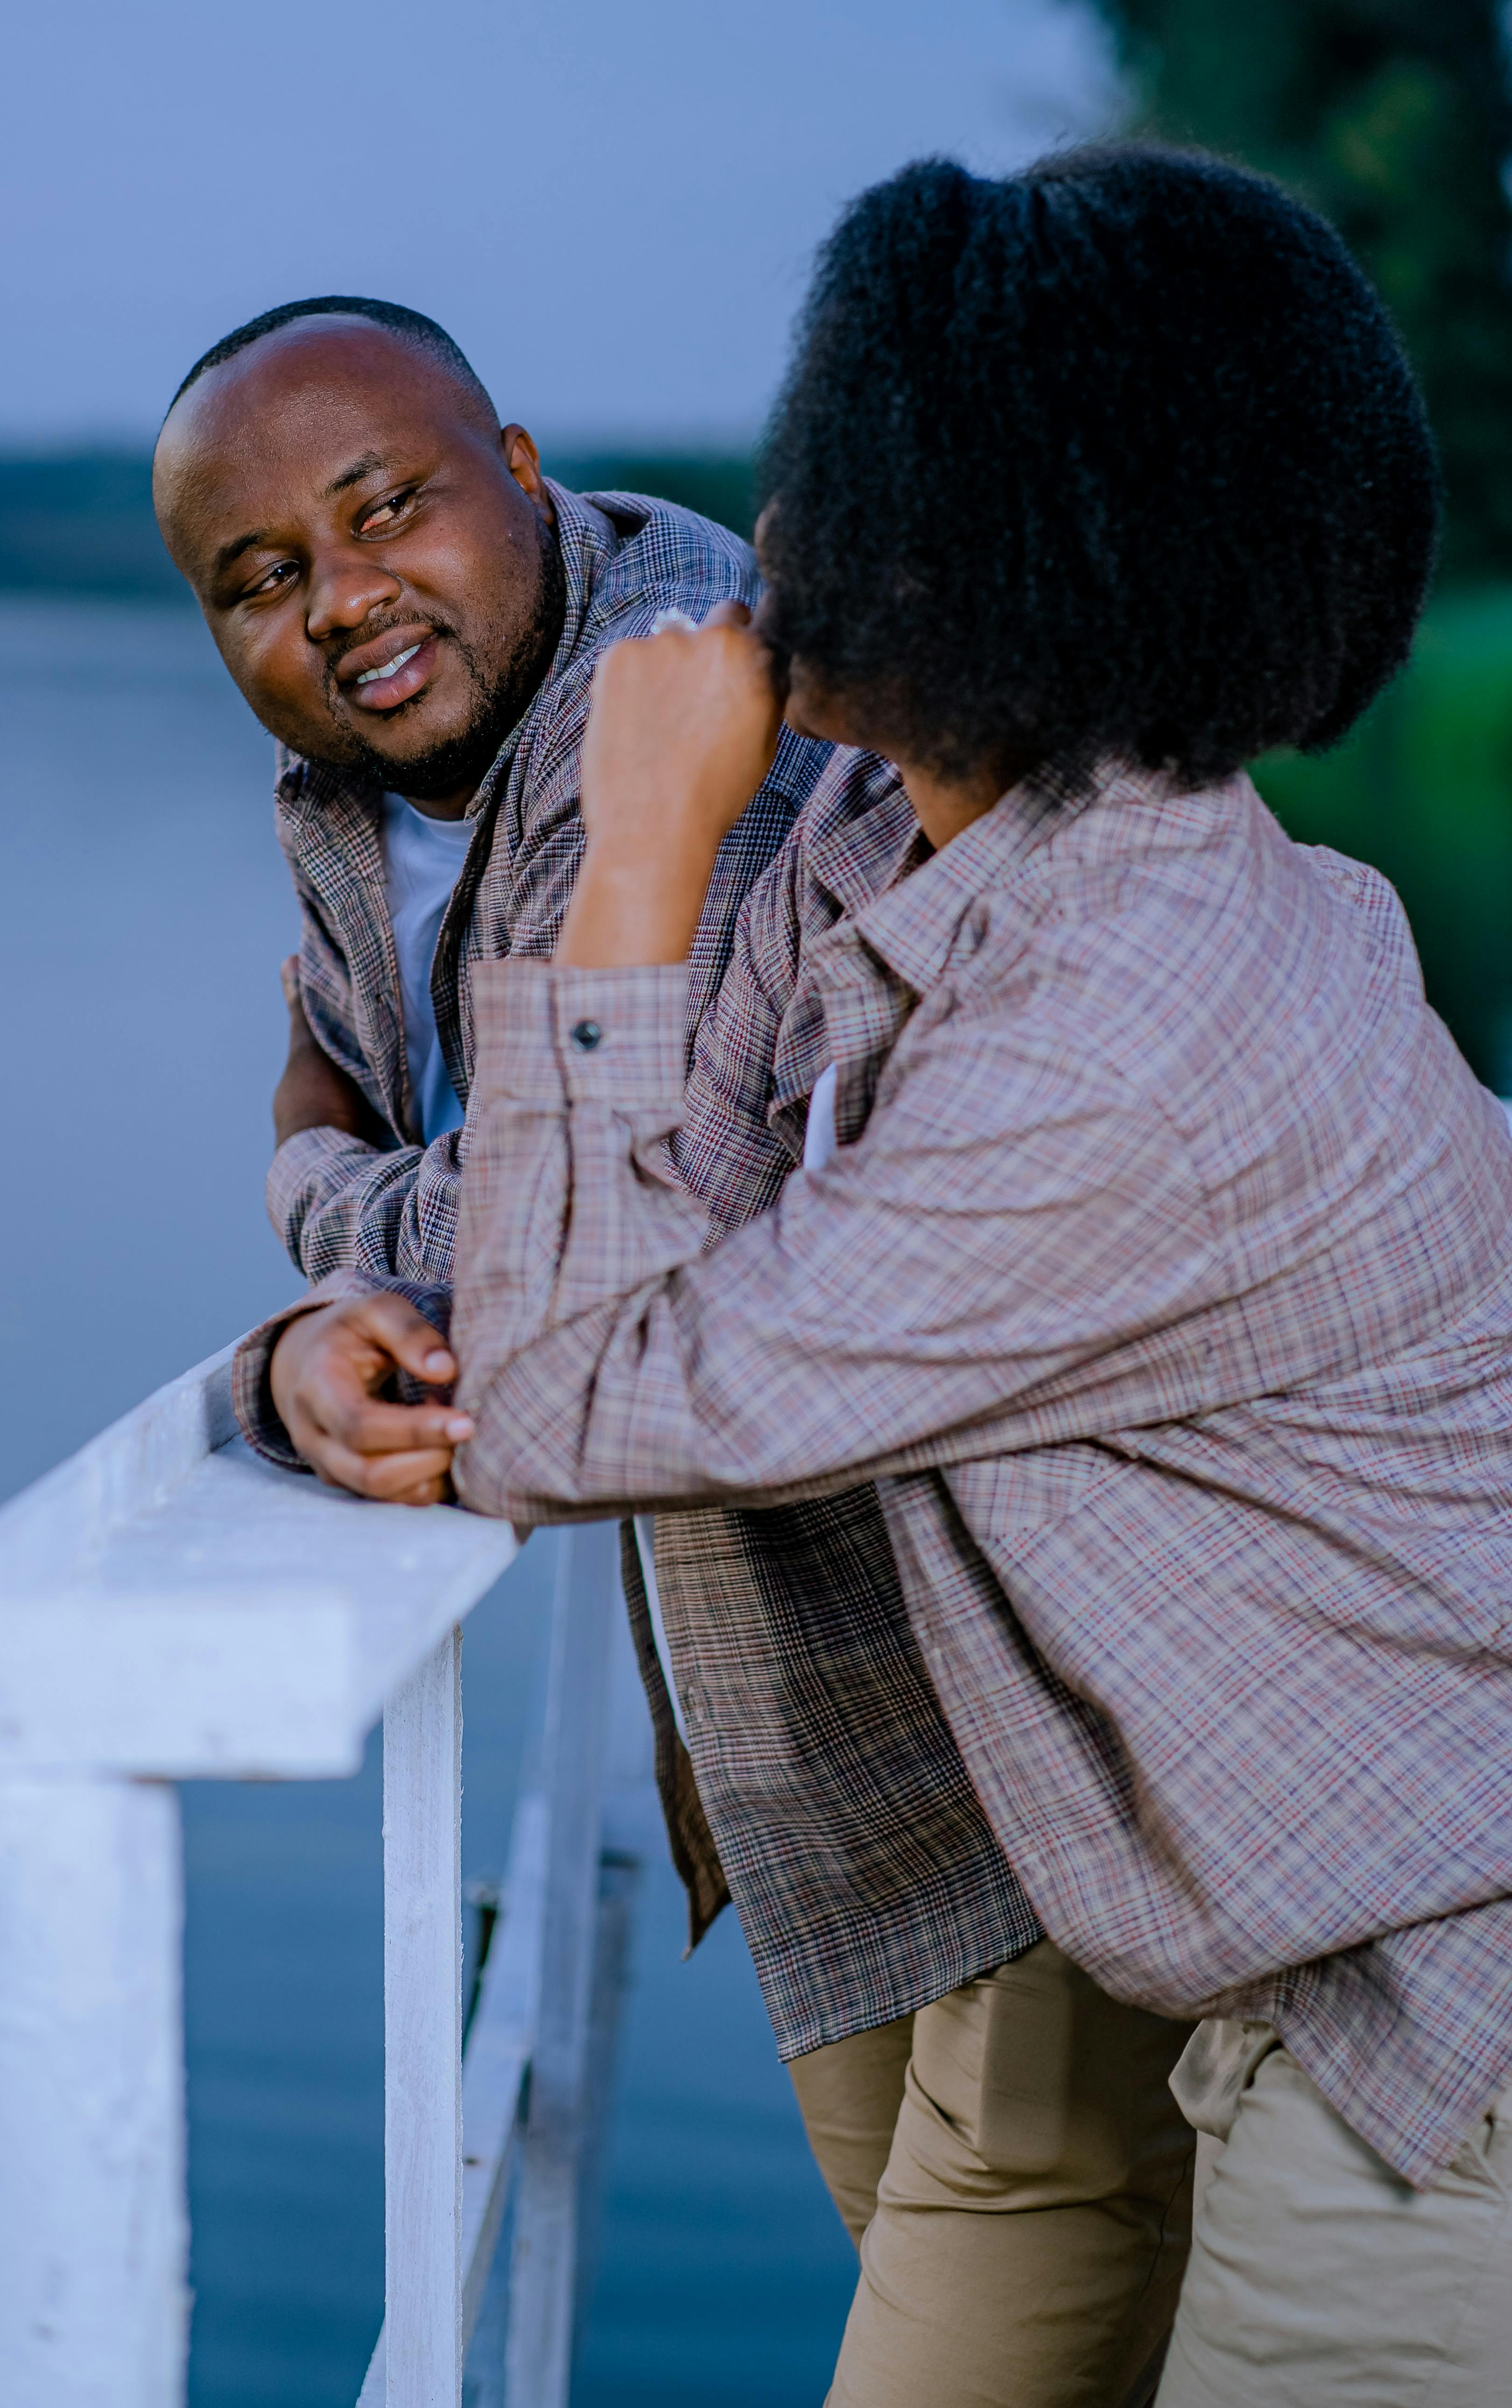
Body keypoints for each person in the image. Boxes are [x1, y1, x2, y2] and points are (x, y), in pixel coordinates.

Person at [352, 144, 1512, 2405]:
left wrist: (649, 846)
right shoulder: (960, 867)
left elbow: (579, 1407)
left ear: (979, 546)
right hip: (1322, 1986)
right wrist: (335, 1301)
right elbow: (597, 1237)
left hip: (1434, 2044)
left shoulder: (1125, 1023)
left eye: (843, 460)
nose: (774, 528)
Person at [201, 300, 1197, 2405]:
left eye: (386, 511)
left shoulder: (695, 718)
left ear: (527, 467)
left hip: (1041, 1725)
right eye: (263, 576)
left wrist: (306, 1220)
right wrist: (327, 1280)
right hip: (833, 1757)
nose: (344, 599)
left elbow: (559, 1250)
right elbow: (443, 1143)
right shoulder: (381, 782)